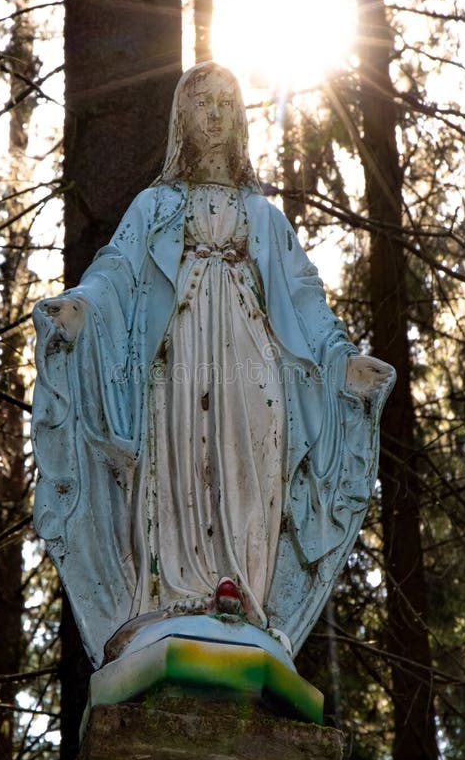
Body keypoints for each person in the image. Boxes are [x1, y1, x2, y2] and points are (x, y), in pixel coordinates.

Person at [32, 62, 395, 669]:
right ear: (183, 116)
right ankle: (176, 596)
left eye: (227, 102)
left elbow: (305, 298)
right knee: (179, 457)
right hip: (176, 354)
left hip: (252, 359)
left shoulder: (265, 217)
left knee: (250, 463)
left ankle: (243, 596)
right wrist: (82, 309)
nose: (216, 114)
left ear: (241, 118)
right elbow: (116, 271)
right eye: (203, 102)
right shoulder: (155, 205)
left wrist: (341, 360)